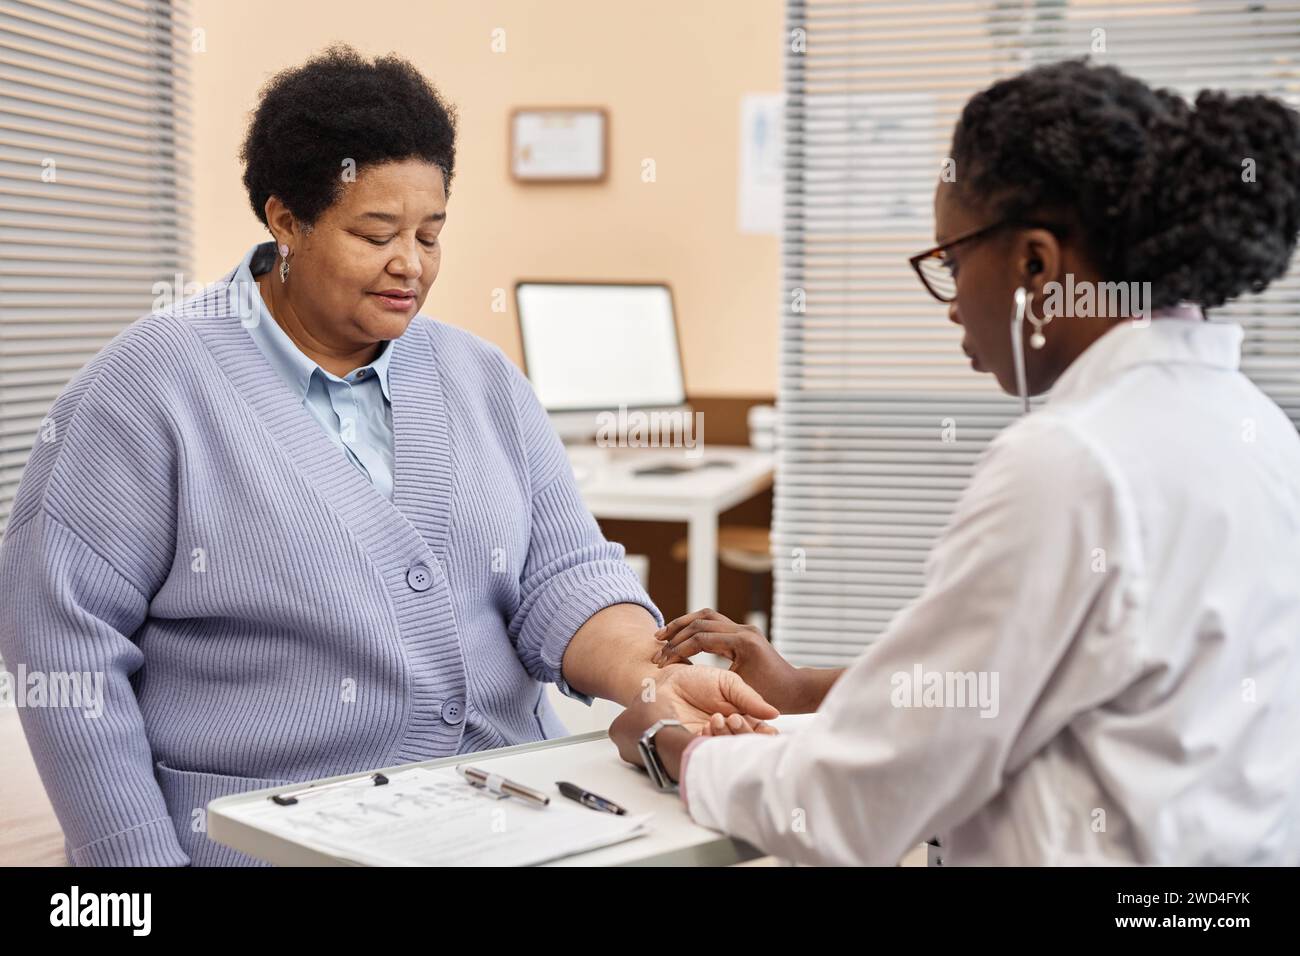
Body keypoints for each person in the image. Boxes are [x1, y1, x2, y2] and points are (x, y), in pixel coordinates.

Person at [0, 46, 775, 867]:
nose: (411, 263)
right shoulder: (146, 391)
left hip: (518, 817)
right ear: (286, 221)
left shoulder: (480, 379)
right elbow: (63, 647)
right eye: (376, 234)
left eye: (430, 234)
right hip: (267, 841)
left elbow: (567, 576)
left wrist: (650, 680)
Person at [611, 59, 1300, 865]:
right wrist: (803, 693)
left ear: (1034, 266)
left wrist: (671, 746)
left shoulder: (1073, 462)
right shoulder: (1258, 430)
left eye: (950, 261)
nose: (950, 306)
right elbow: (1055, 686)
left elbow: (852, 807)